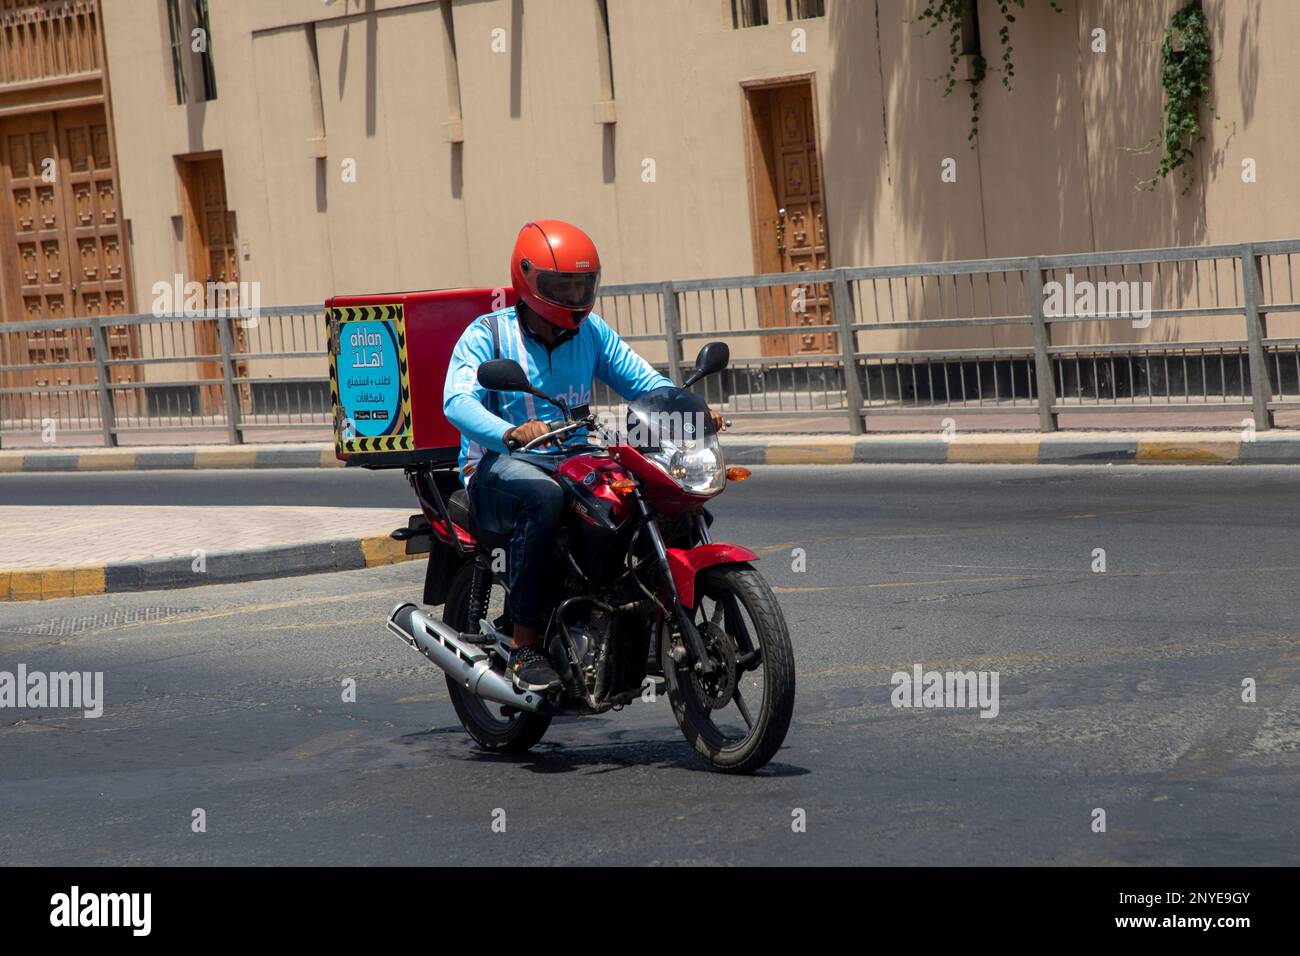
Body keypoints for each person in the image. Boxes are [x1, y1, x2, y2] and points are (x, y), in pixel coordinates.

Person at [443, 219, 724, 692]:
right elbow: (458, 402)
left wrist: (690, 408)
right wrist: (510, 431)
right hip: (498, 463)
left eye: (582, 285)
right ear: (529, 281)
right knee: (544, 499)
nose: (574, 296)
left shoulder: (591, 333)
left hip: (573, 455)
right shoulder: (487, 334)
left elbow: (644, 382)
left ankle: (643, 614)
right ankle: (525, 646)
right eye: (562, 285)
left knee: (650, 492)